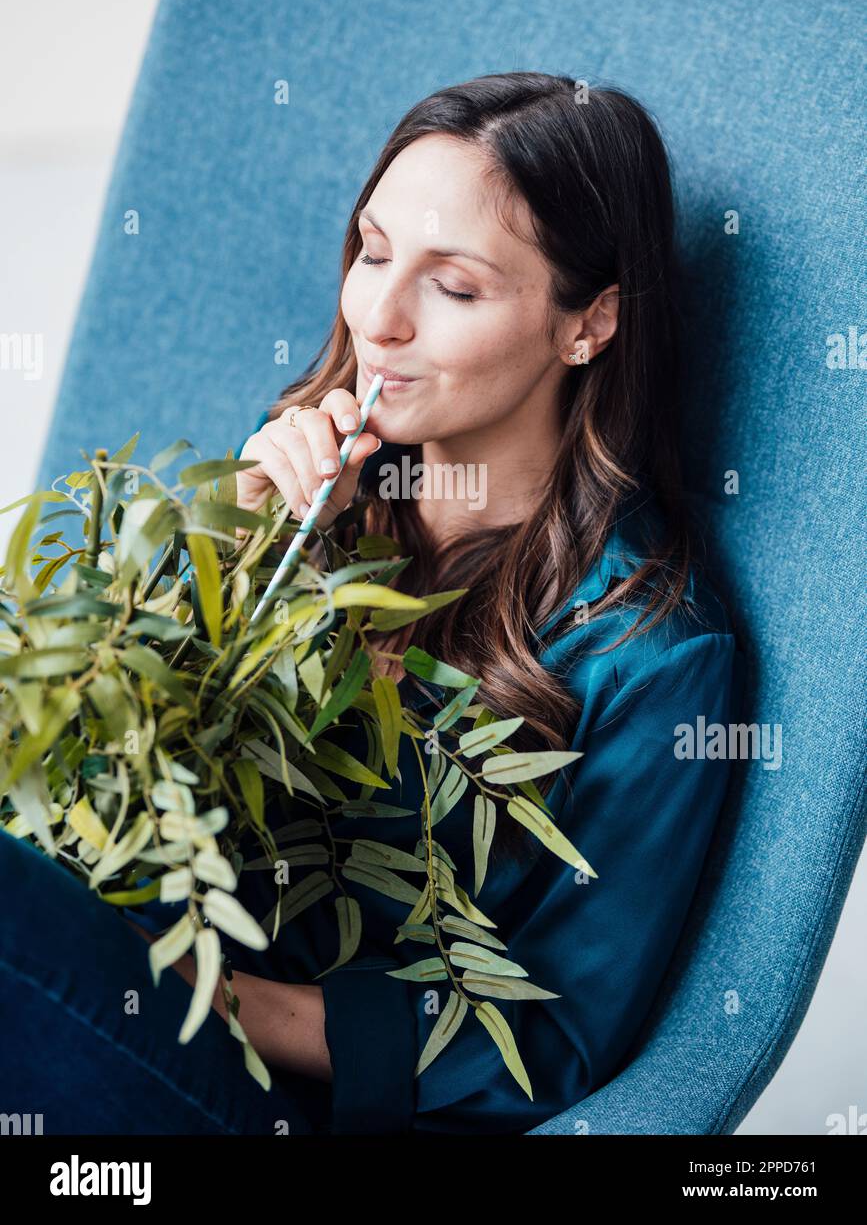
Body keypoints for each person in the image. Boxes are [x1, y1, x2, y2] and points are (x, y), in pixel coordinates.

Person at [2, 72, 744, 1136]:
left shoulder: (652, 655)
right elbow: (94, 752)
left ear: (588, 326)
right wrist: (230, 540)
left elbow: (555, 1046)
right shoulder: (315, 485)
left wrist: (201, 995)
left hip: (296, 1101)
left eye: (456, 287)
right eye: (375, 251)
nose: (379, 318)